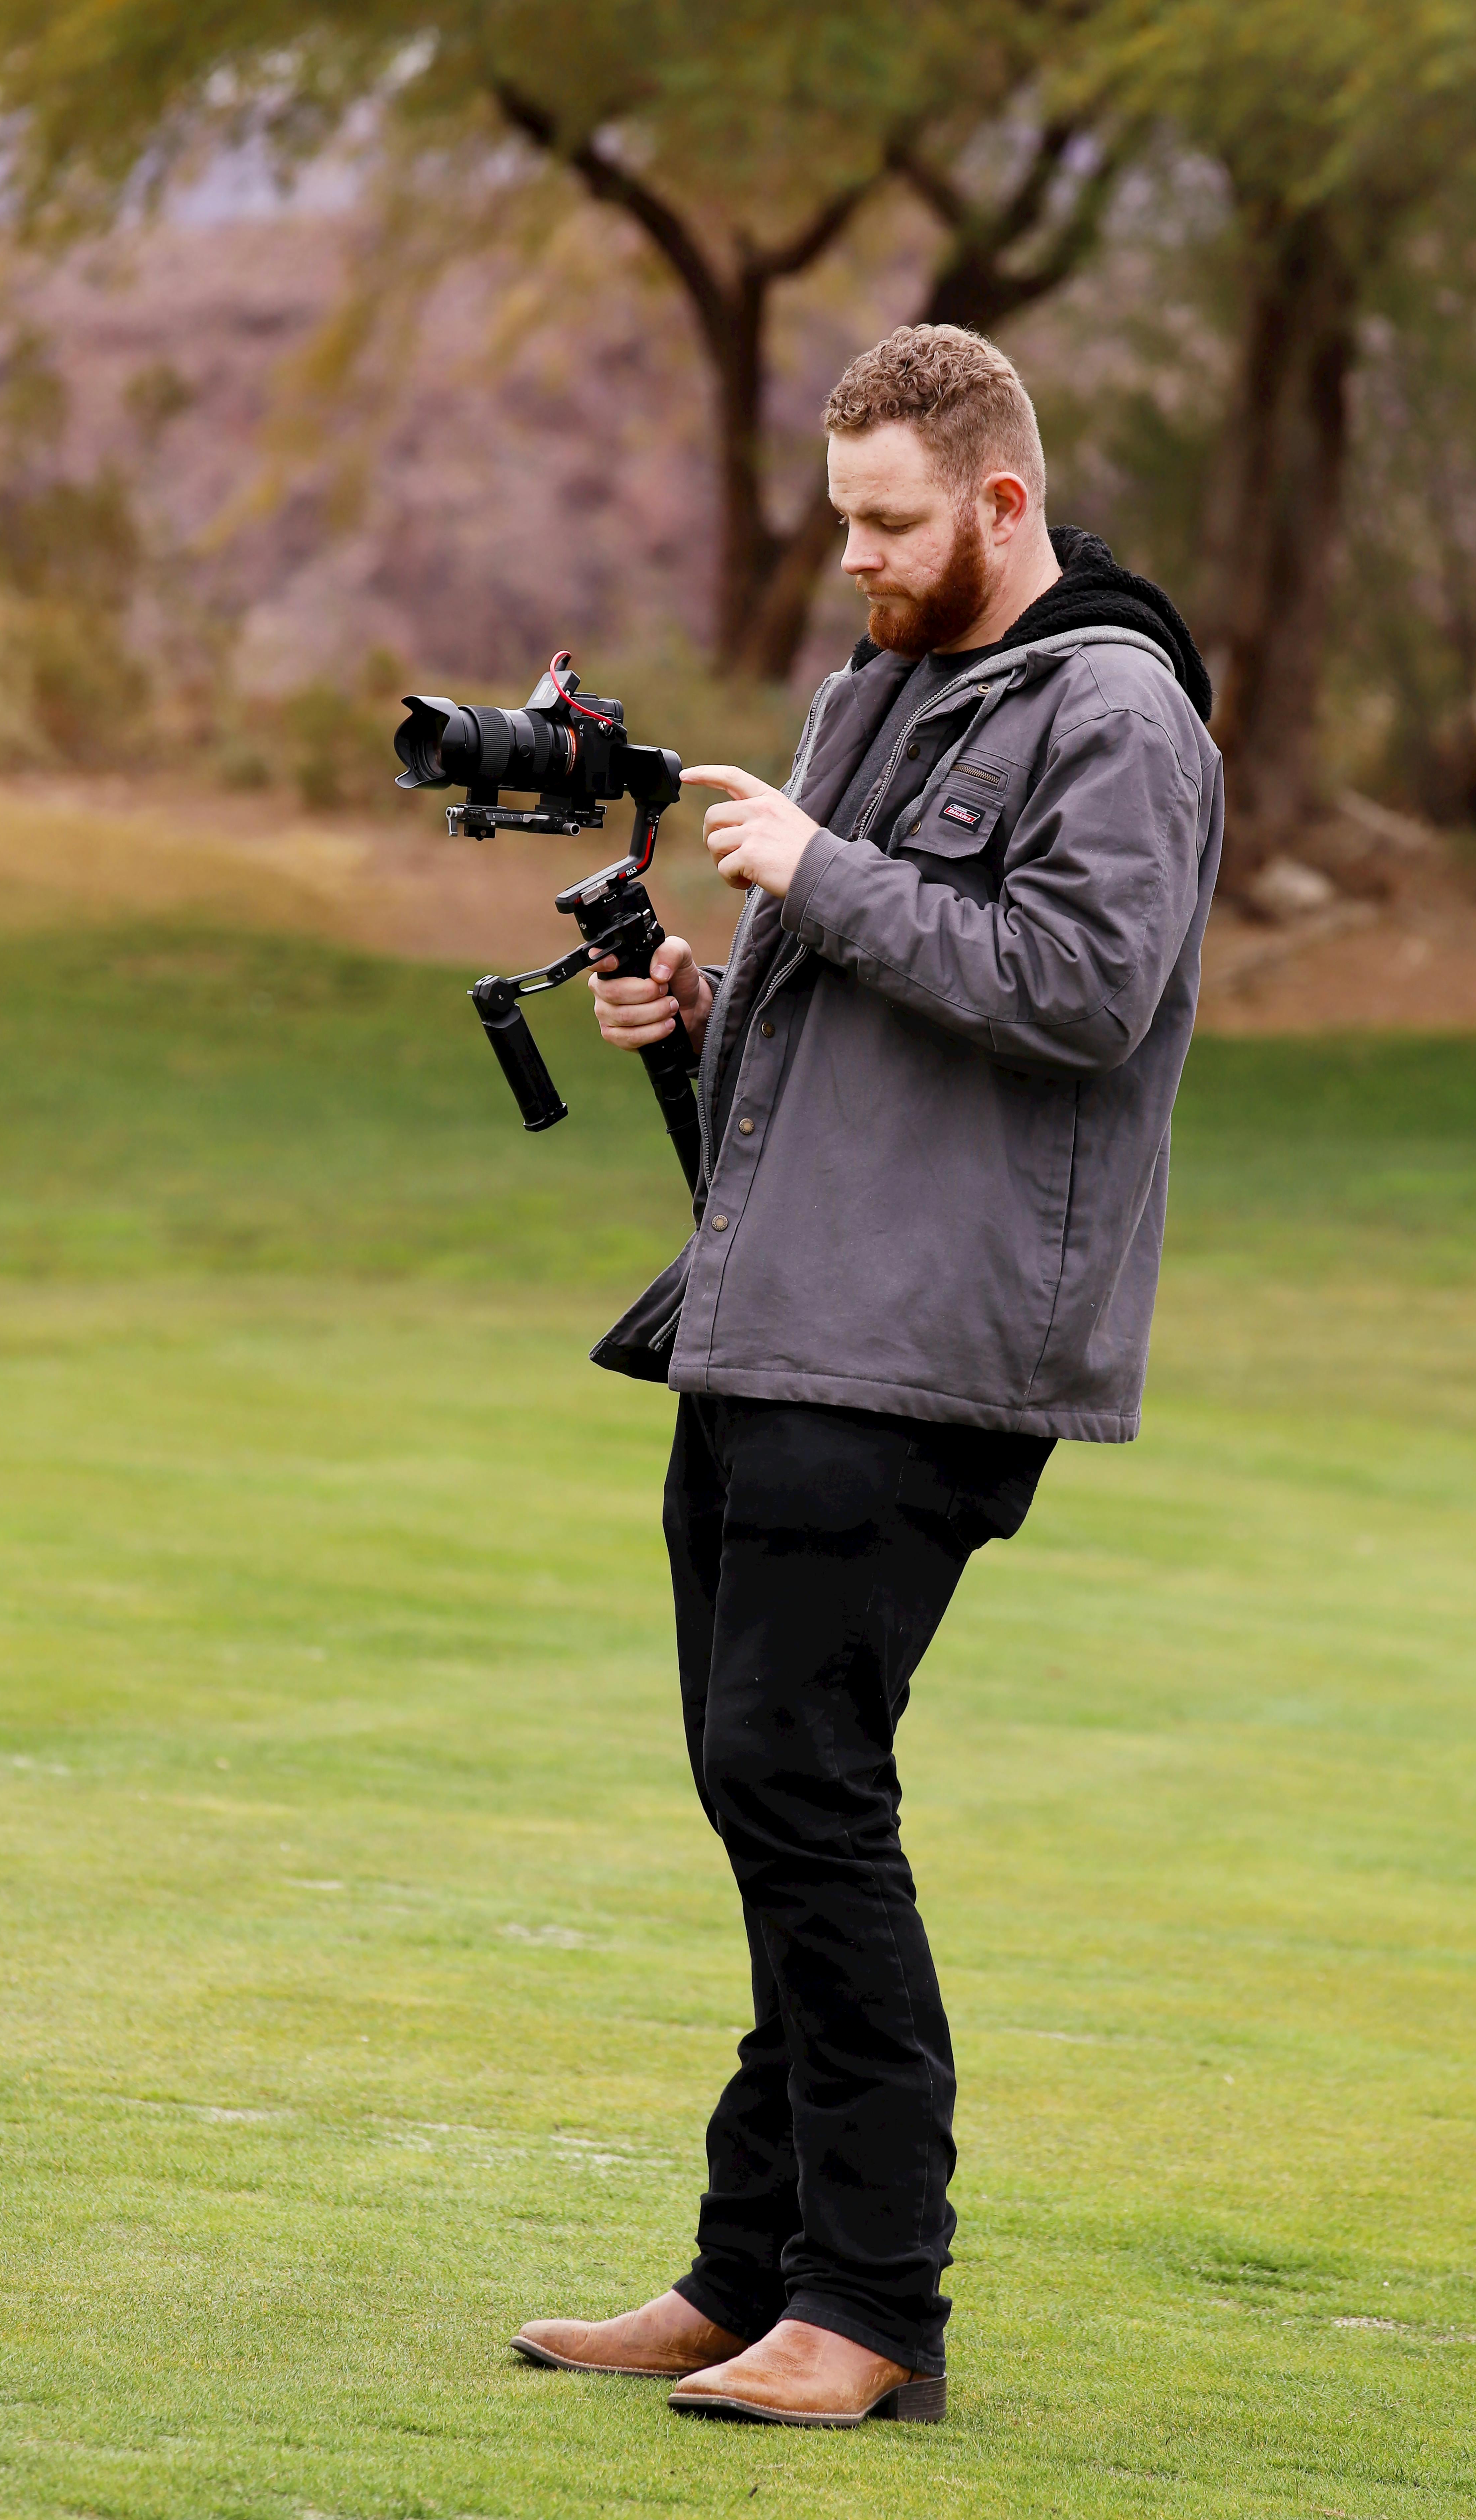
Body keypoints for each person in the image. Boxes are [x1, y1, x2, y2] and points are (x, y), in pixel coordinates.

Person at [510, 323, 1223, 2428]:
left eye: (888, 524)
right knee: (766, 1798)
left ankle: (872, 2303)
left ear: (1001, 504)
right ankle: (750, 2278)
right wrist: (707, 1006)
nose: (853, 561)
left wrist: (823, 872)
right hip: (770, 1314)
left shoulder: (1120, 711)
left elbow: (1086, 991)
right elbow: (881, 1025)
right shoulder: (876, 687)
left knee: (806, 1794)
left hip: (918, 1358)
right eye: (840, 523)